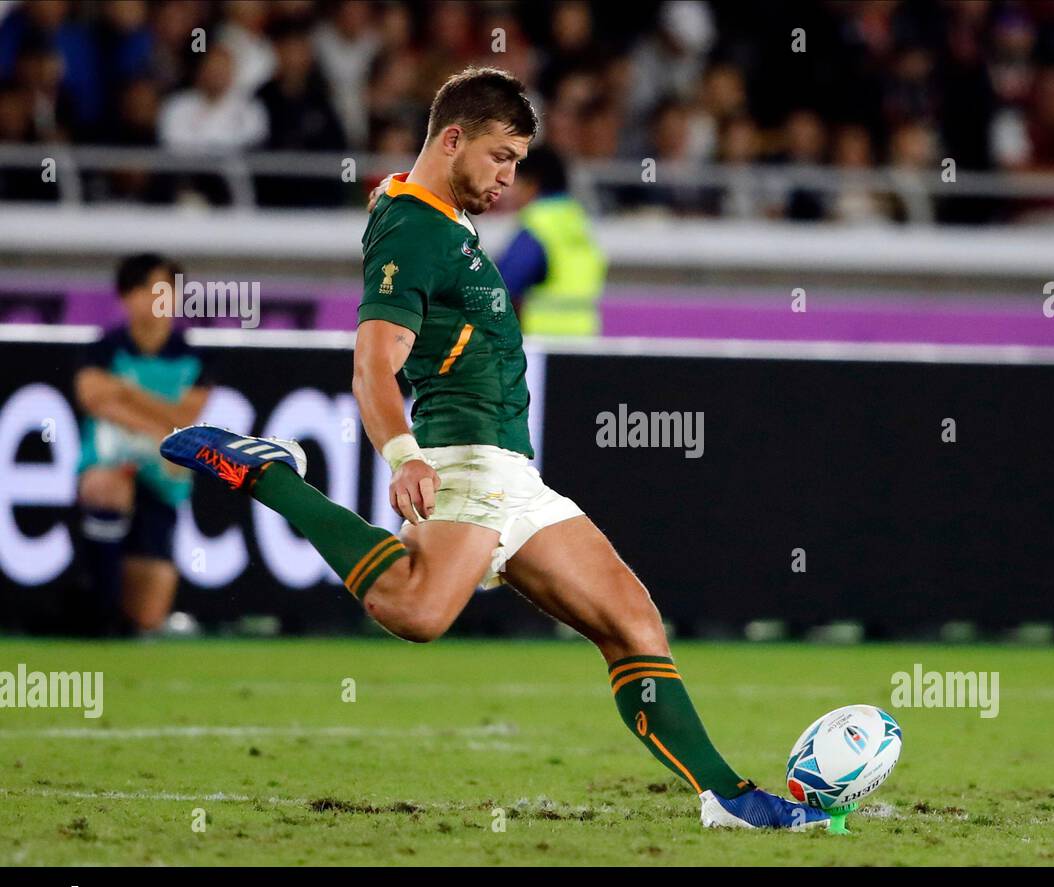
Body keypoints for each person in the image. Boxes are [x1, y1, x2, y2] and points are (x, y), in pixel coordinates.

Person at [161, 66, 825, 831]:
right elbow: (373, 363)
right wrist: (403, 452)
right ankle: (269, 476)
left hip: (519, 474)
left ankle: (729, 800)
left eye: (517, 161)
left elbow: (403, 204)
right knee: (416, 610)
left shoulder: (435, 215)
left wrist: (397, 191)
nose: (511, 177)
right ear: (453, 138)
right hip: (464, 457)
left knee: (633, 623)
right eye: (501, 156)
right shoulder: (415, 228)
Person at [74, 253, 212, 634]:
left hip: (163, 481)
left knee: (147, 615)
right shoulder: (105, 347)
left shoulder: (192, 355)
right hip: (112, 467)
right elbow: (95, 399)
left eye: (166, 290)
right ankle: (97, 612)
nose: (157, 299)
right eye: (149, 289)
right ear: (126, 296)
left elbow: (186, 416)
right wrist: (157, 427)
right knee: (106, 487)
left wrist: (127, 392)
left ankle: (117, 614)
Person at [496, 144, 606, 335]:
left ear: (532, 183)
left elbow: (501, 285)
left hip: (543, 342)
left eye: (516, 182)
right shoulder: (580, 222)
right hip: (586, 341)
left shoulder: (538, 223)